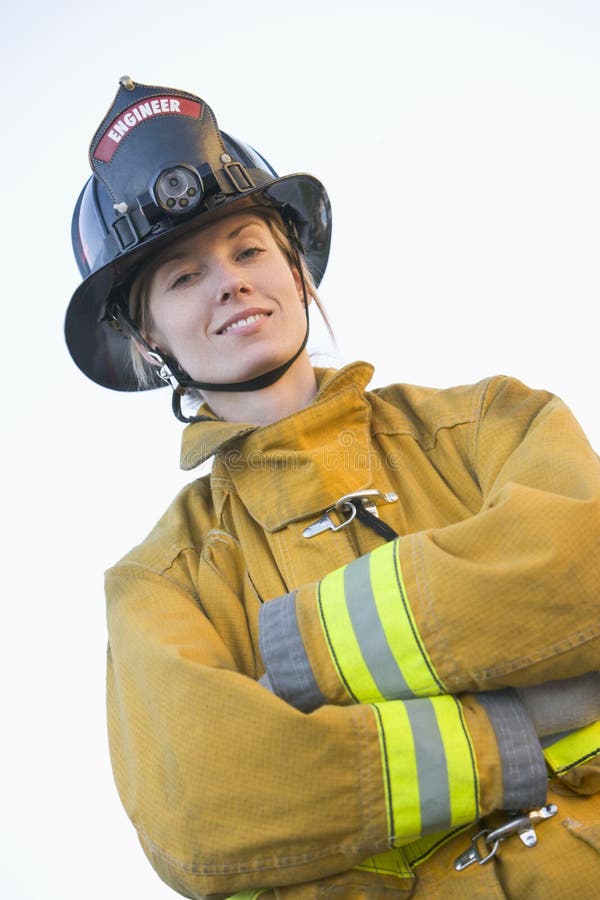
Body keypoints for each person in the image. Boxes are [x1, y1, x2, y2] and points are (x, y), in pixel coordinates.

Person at [65, 76, 600, 900]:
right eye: (181, 278)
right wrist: (509, 733)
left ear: (295, 266)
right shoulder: (160, 586)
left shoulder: (495, 424)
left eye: (248, 250)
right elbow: (206, 804)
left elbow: (583, 571)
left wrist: (297, 657)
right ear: (147, 338)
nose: (231, 283)